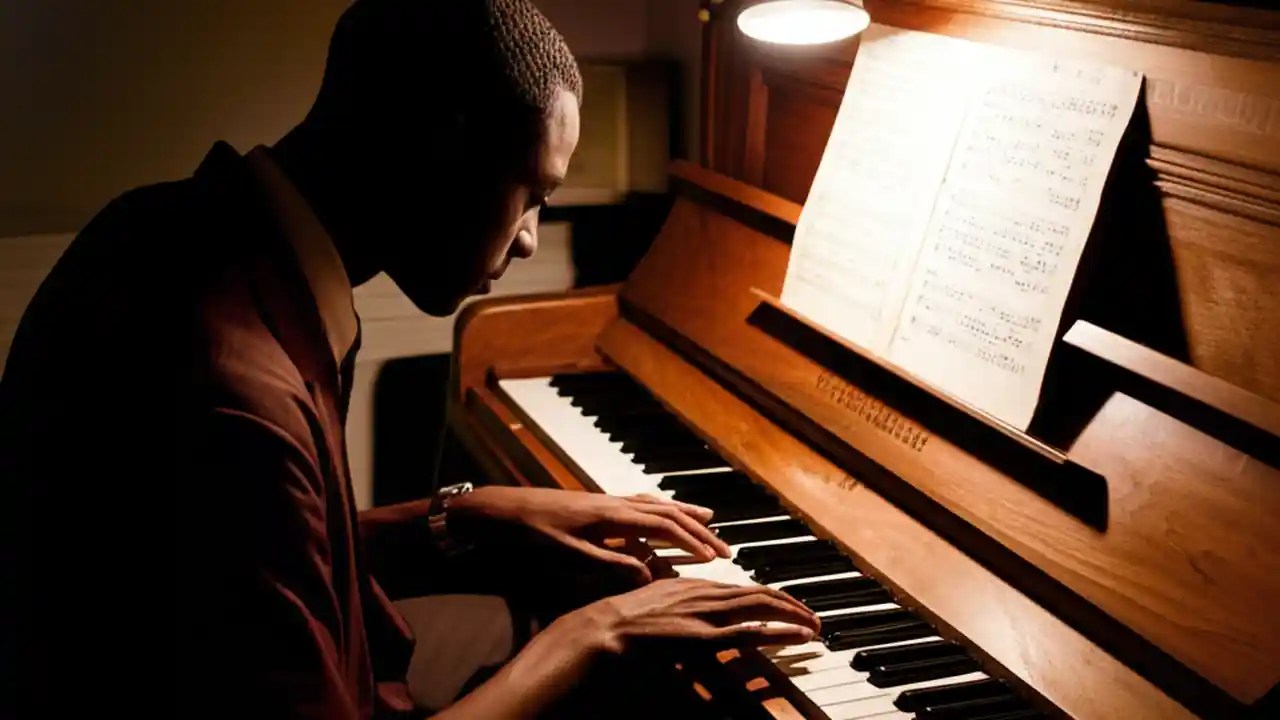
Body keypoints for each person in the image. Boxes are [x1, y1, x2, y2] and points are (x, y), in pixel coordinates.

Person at [0, 0, 820, 718]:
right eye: (530, 193)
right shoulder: (237, 396)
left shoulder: (166, 227)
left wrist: (460, 518)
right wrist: (594, 634)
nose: (531, 239)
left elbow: (236, 560)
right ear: (440, 146)